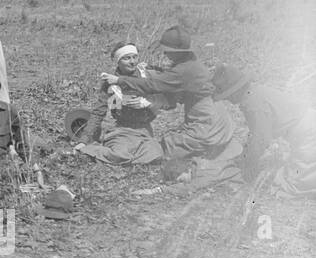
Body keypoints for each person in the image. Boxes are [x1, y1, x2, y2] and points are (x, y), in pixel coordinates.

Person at [102, 25, 233, 162]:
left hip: (208, 120)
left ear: (177, 52)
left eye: (167, 51)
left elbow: (153, 85)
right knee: (169, 145)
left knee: (168, 147)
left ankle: (207, 153)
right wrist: (153, 70)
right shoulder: (190, 61)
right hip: (212, 115)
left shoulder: (183, 70)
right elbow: (171, 79)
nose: (165, 54)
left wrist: (120, 80)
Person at [213, 65, 316, 195]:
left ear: (236, 90)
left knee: (292, 185)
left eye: (228, 95)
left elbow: (260, 139)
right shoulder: (254, 92)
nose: (228, 99)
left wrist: (248, 162)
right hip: (306, 126)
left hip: (308, 132)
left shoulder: (252, 103)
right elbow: (257, 134)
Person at [73, 43, 166, 166]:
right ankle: (92, 150)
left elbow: (168, 100)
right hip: (122, 131)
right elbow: (98, 113)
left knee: (157, 155)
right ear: (118, 61)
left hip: (144, 131)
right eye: (126, 58)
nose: (132, 62)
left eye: (135, 57)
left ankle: (128, 158)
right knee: (119, 155)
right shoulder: (111, 83)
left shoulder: (147, 76)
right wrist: (83, 141)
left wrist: (148, 103)